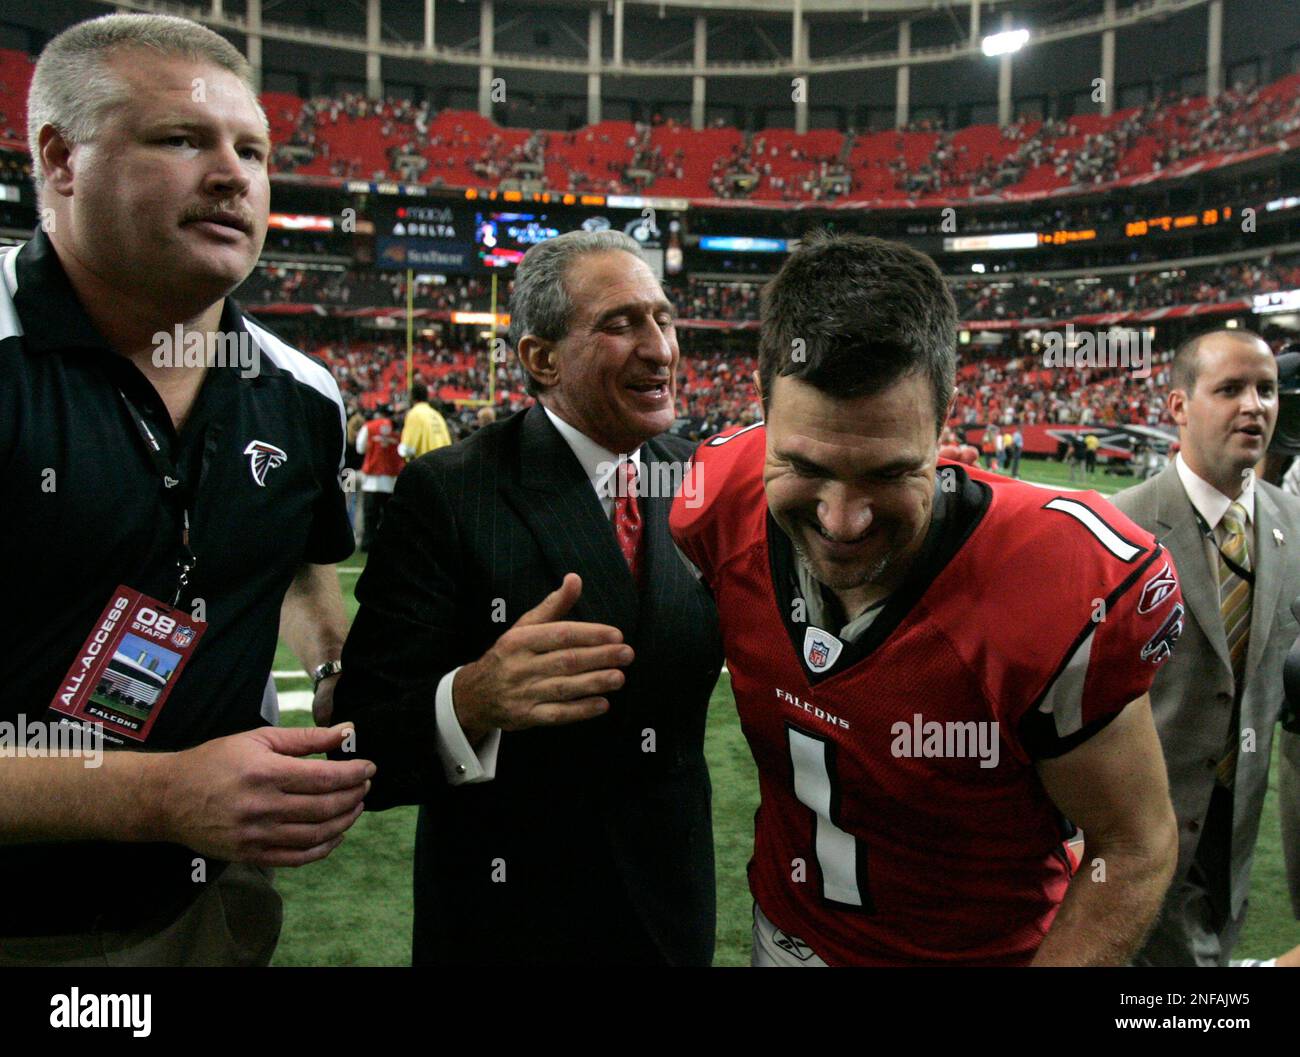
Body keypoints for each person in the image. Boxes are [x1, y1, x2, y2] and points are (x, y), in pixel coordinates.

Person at [671, 233, 1181, 966]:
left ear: (944, 430)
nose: (842, 519)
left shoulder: (1057, 582)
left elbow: (1134, 843)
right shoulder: (715, 500)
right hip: (782, 934)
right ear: (763, 415)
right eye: (805, 465)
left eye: (887, 473)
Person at [0, 13, 373, 967]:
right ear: (60, 158)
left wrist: (334, 664)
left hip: (210, 909)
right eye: (181, 139)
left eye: (251, 149)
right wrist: (160, 793)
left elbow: (293, 566)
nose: (232, 174)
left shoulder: (302, 395)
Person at [330, 229, 723, 965]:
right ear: (541, 358)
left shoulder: (704, 478)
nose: (659, 347)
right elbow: (361, 736)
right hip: (507, 923)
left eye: (663, 318)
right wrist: (469, 700)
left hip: (672, 912)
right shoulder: (450, 491)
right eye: (620, 322)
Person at [1111, 329, 1300, 966]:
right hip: (1134, 834)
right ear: (1178, 407)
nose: (1255, 406)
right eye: (1230, 389)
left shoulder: (1292, 527)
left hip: (1234, 840)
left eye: (1267, 390)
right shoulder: (1117, 525)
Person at [355, 401, 403, 551]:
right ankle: (388, 545)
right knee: (388, 516)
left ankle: (367, 544)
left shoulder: (369, 426)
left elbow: (360, 448)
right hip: (391, 479)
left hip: (371, 479)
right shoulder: (397, 428)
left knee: (370, 515)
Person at [399, 379, 453, 460]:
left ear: (412, 397)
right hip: (442, 465)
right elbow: (448, 445)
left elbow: (406, 450)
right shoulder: (437, 415)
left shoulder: (415, 413)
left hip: (426, 466)